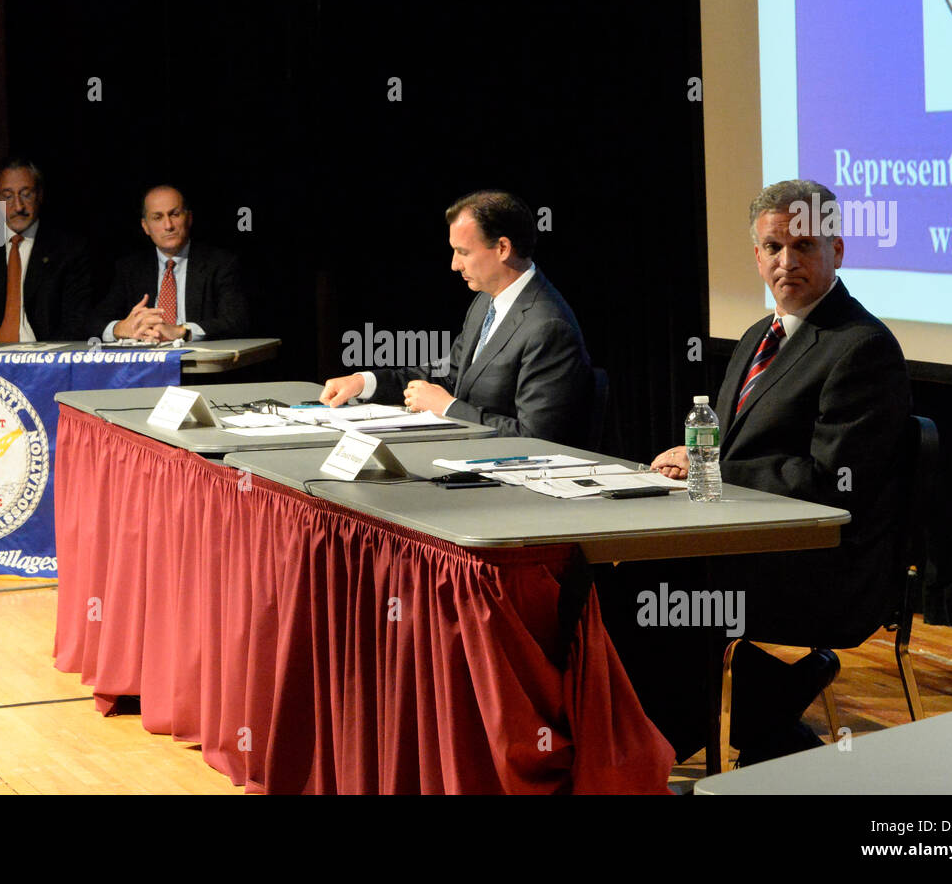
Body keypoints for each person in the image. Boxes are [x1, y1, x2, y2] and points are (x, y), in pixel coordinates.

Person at [601, 179, 912, 764]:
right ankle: (768, 714)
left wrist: (711, 465)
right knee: (613, 581)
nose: (786, 262)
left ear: (837, 252)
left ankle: (676, 745)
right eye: (773, 247)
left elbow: (831, 481)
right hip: (749, 545)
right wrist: (688, 456)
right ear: (756, 255)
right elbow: (725, 445)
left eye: (804, 246)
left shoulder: (861, 346)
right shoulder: (754, 338)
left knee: (645, 596)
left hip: (822, 566)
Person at [320, 190, 593, 445]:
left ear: (502, 248)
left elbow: (535, 438)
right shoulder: (486, 301)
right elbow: (449, 376)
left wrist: (448, 408)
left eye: (463, 252)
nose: (454, 264)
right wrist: (364, 383)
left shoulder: (548, 327)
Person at [0, 157, 92, 341]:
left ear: (40, 195)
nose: (18, 206)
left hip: (44, 361)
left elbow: (78, 322)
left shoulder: (69, 250)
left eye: (26, 194)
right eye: (8, 196)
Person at [92, 185, 249, 342]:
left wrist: (183, 332)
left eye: (174, 214)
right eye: (157, 217)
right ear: (145, 226)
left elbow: (236, 321)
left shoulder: (220, 263)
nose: (168, 226)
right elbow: (90, 321)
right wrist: (119, 328)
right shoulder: (129, 269)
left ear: (189, 218)